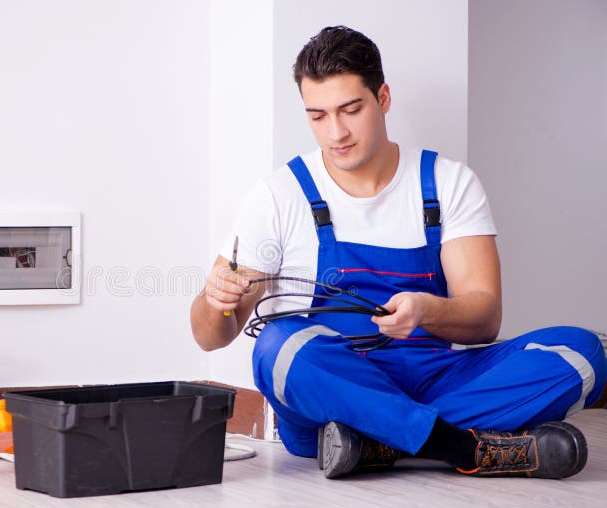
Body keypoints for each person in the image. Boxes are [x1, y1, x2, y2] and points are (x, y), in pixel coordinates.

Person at [190, 25, 606, 479]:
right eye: (318, 116)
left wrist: (427, 310)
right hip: (333, 385)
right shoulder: (278, 194)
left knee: (583, 352)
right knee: (278, 348)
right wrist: (215, 301)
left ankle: (377, 443)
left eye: (351, 110)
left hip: (433, 376)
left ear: (383, 98)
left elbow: (486, 319)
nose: (336, 132)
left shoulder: (448, 184)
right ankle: (458, 446)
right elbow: (212, 337)